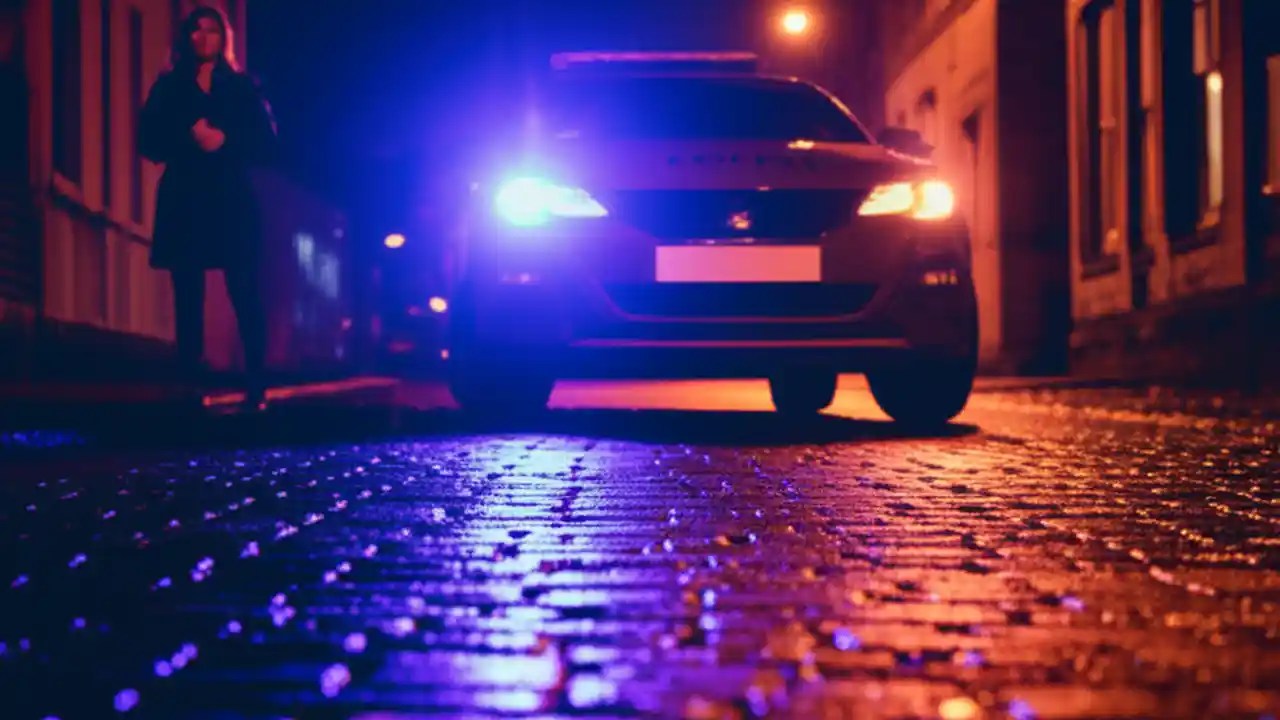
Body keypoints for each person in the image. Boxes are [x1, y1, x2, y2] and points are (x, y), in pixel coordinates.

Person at [138, 5, 277, 410]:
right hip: (185, 196)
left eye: (211, 31)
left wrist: (224, 140)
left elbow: (267, 145)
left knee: (243, 288)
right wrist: (187, 138)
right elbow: (148, 141)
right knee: (186, 290)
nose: (203, 38)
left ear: (223, 38)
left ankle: (256, 382)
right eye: (196, 31)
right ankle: (189, 381)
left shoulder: (240, 88)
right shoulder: (169, 87)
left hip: (230, 197)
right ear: (186, 37)